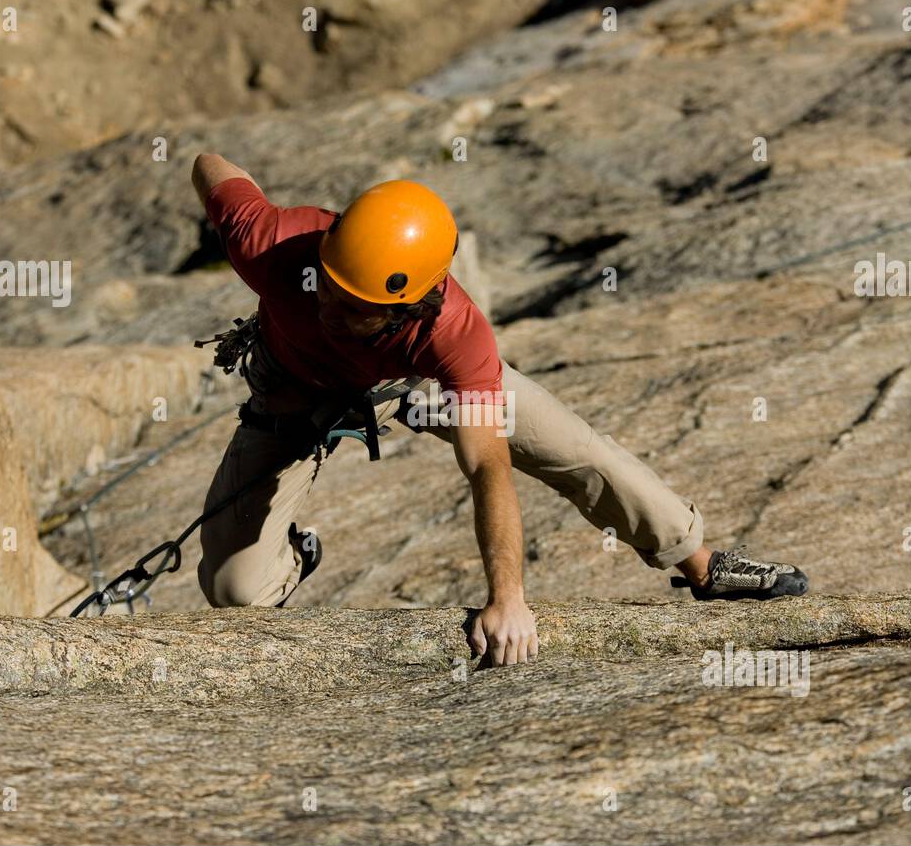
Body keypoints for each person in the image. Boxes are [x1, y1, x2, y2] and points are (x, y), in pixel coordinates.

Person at [191, 153, 808, 667]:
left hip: (411, 386)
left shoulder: (455, 334)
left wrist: (507, 598)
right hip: (295, 396)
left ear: (417, 305)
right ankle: (294, 556)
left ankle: (702, 564)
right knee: (233, 590)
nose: (330, 306)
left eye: (356, 306)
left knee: (576, 450)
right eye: (327, 284)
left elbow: (488, 465)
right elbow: (209, 165)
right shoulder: (271, 244)